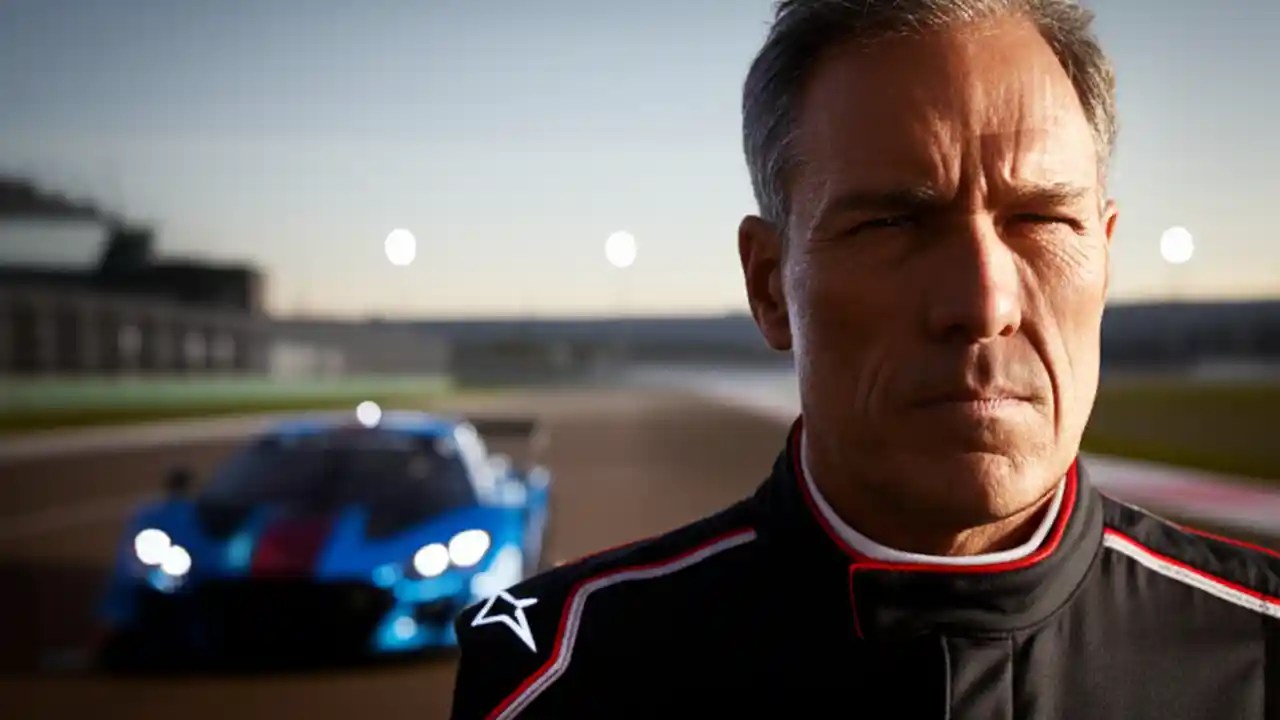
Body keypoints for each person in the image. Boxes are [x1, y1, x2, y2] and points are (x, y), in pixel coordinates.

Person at [449, 1, 1280, 717]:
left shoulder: (1260, 642)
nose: (985, 305)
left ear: (1104, 259)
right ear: (771, 286)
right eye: (891, 224)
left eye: (1041, 221)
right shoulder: (561, 680)